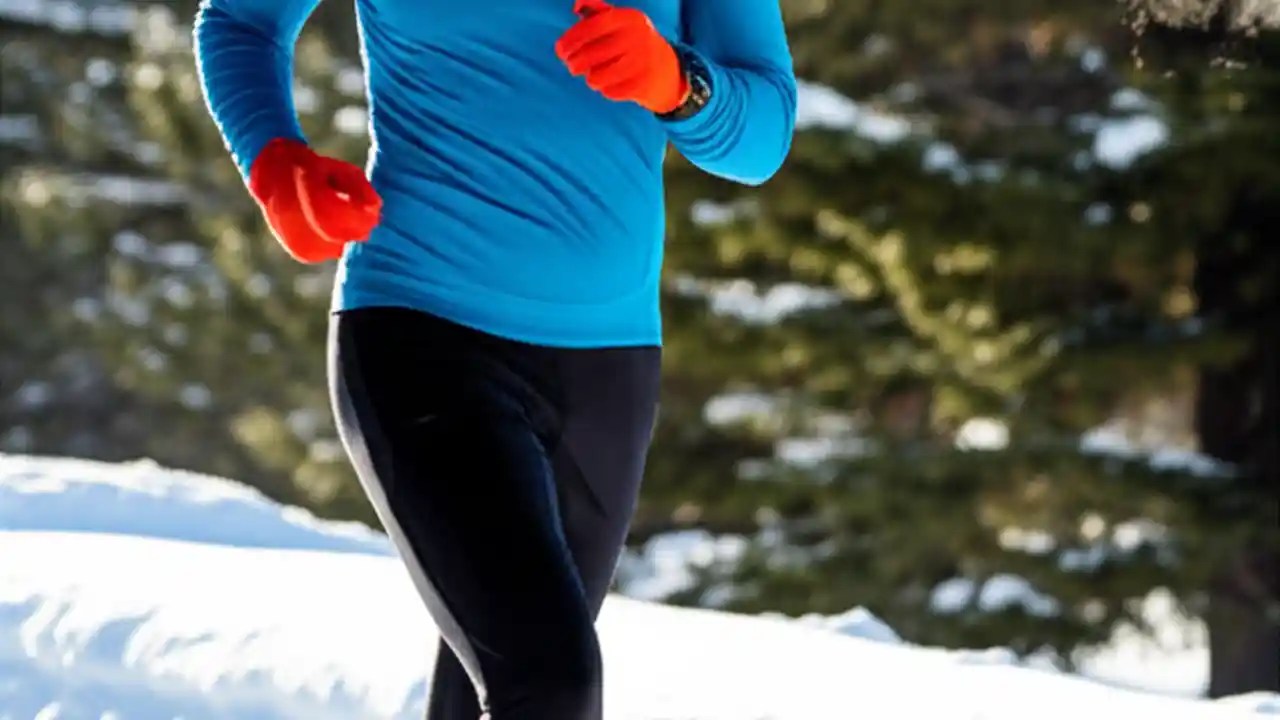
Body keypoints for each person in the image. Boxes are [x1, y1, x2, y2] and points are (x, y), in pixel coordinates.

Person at [192, 0, 796, 715]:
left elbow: (763, 134)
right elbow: (241, 20)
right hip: (419, 328)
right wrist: (274, 160)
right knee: (549, 681)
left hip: (609, 365)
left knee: (502, 688)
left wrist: (676, 82)